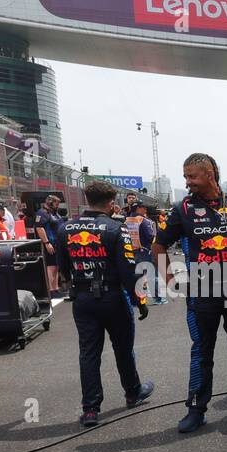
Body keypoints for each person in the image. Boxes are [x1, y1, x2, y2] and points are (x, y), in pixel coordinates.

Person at [154, 152, 227, 433]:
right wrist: (170, 281)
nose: (187, 181)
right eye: (185, 177)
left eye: (191, 176)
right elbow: (158, 246)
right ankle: (196, 408)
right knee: (202, 352)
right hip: (202, 291)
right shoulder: (182, 208)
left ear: (209, 175)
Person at [55, 180, 154, 427]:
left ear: (87, 199)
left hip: (82, 298)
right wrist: (140, 300)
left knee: (88, 353)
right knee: (123, 347)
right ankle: (133, 393)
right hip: (112, 298)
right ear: (111, 204)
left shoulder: (65, 229)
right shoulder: (116, 228)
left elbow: (63, 268)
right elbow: (128, 272)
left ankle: (90, 409)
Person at [36, 195, 63, 297]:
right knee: (51, 267)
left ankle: (55, 288)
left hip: (57, 243)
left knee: (56, 267)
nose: (58, 206)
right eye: (56, 203)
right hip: (50, 243)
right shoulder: (42, 213)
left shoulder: (54, 213)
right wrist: (47, 243)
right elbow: (39, 228)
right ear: (50, 203)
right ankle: (51, 290)